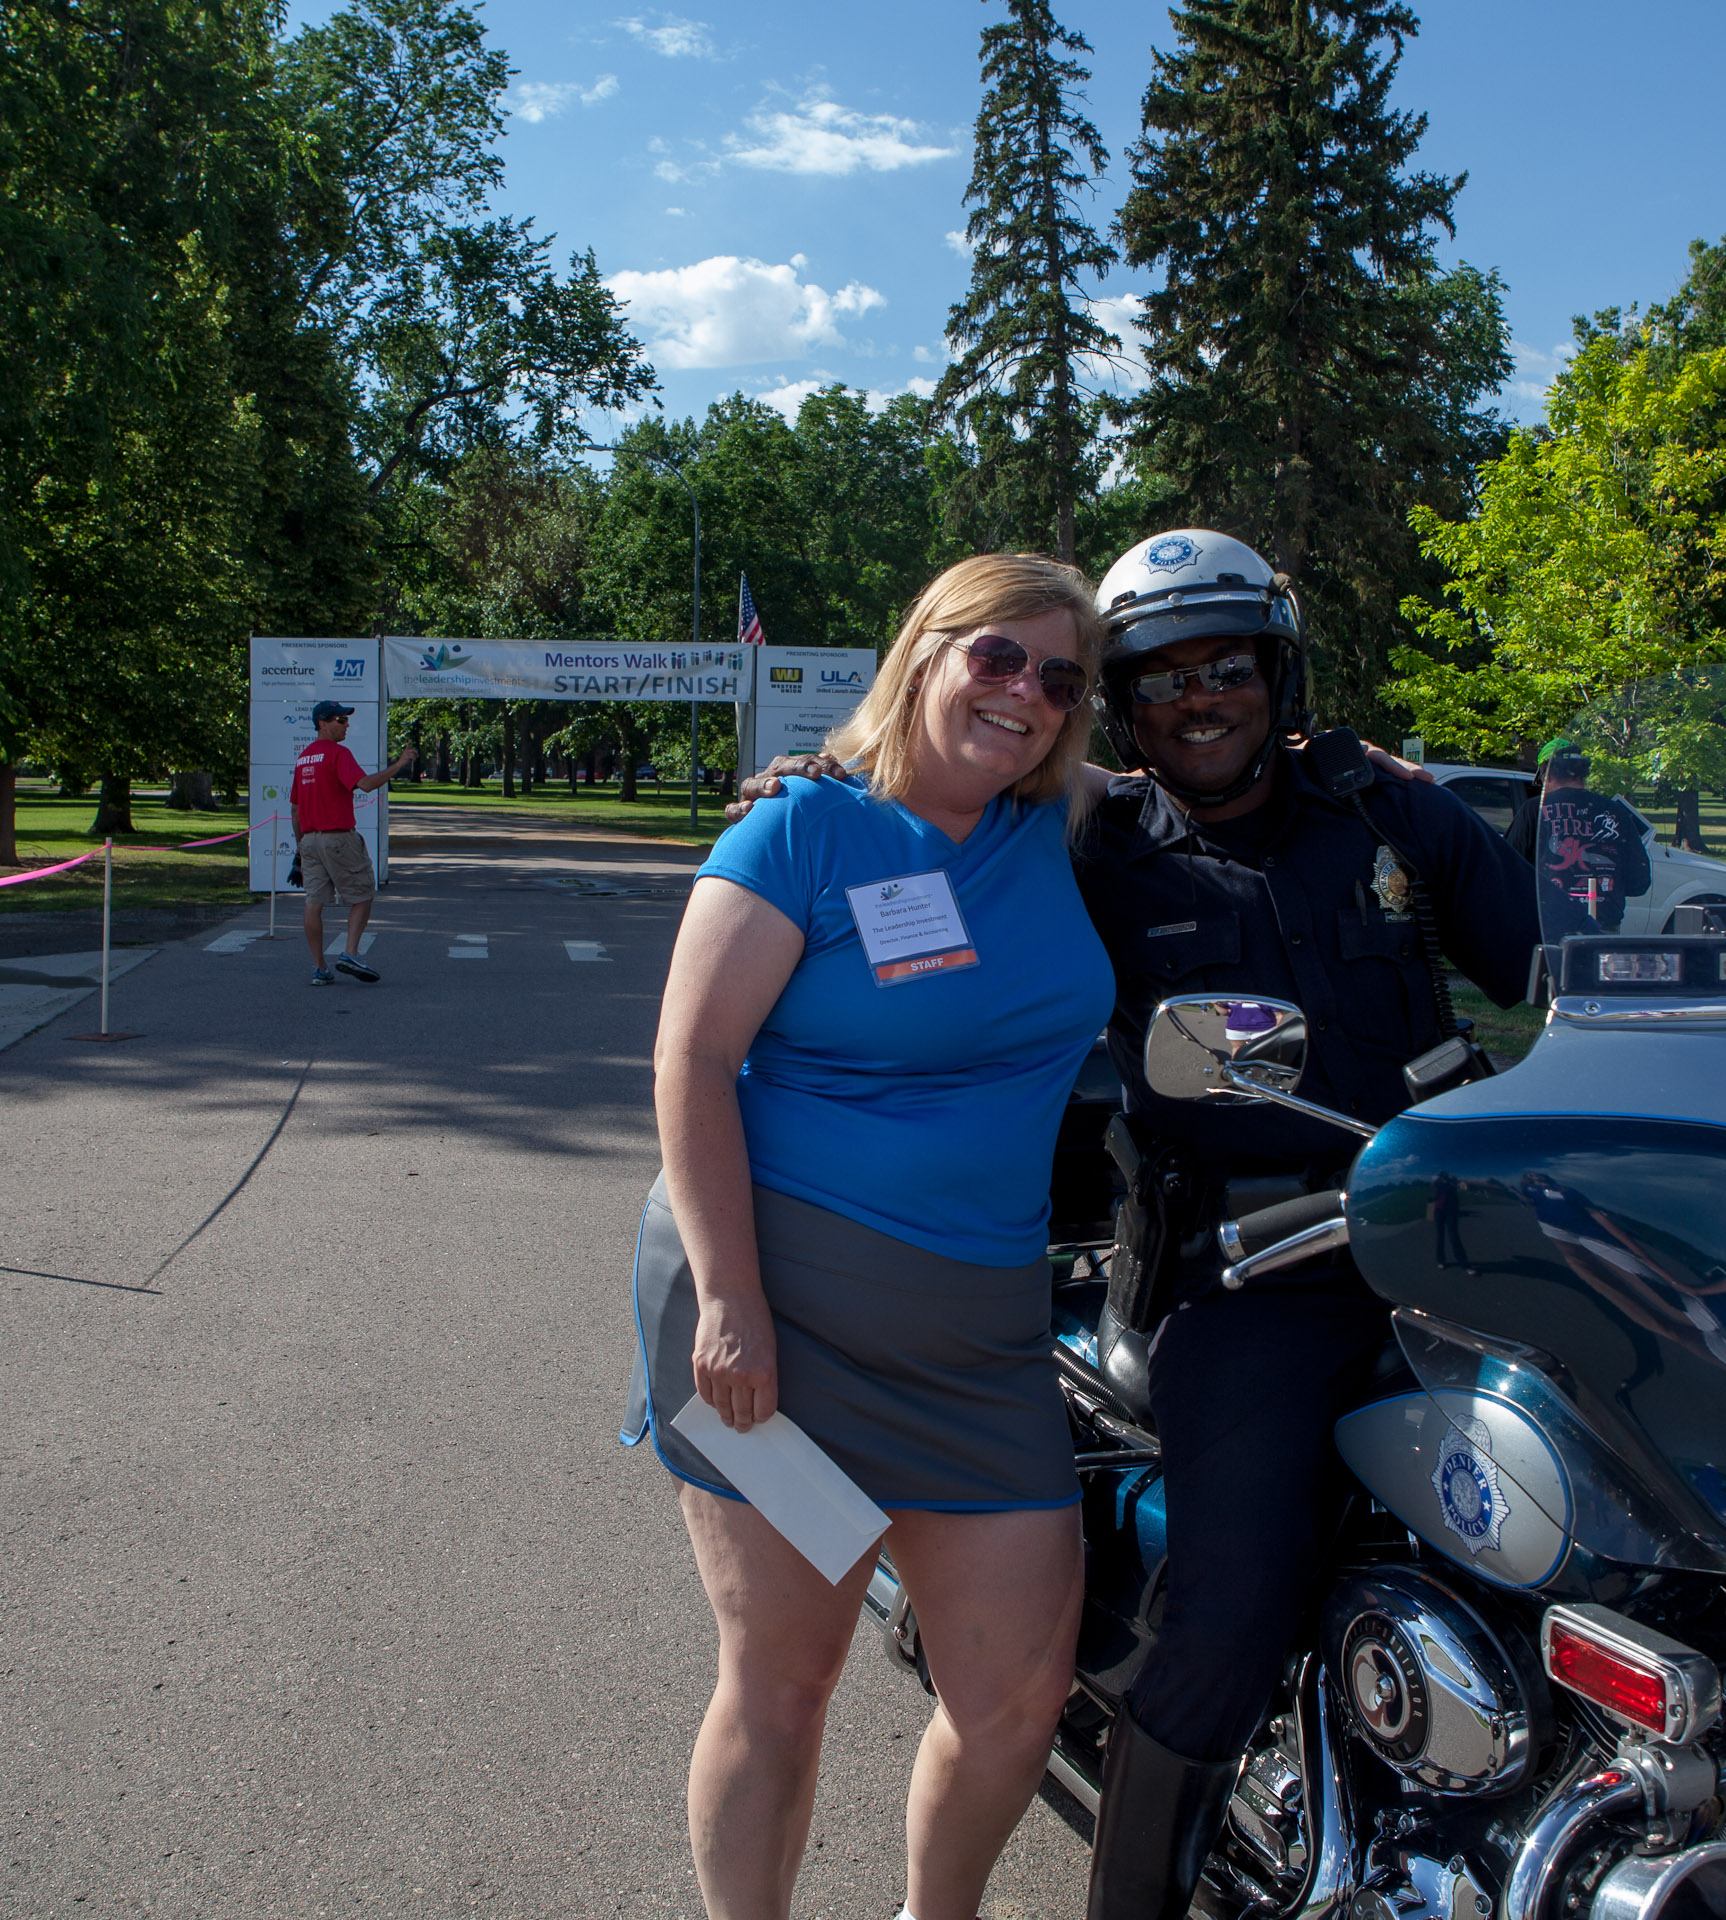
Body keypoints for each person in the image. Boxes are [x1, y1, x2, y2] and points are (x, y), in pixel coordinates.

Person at [734, 529, 1541, 1920]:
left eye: (1229, 667)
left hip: (1455, 1241)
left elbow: (1553, 964)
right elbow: (930, 802)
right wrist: (826, 782)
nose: (1198, 699)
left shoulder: (1390, 813)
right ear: (1121, 708)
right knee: (1231, 1617)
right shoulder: (1089, 841)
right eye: (1159, 678)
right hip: (1253, 1274)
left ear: (1280, 674)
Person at [629, 553, 1117, 1920]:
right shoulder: (801, 830)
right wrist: (730, 1300)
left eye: (1059, 676)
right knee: (785, 1682)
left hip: (980, 1345)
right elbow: (690, 1061)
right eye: (997, 656)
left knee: (1017, 1694)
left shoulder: (1059, 823)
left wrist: (1367, 770)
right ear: (926, 651)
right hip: (778, 1328)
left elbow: (1223, 778)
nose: (1025, 693)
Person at [291, 700, 416, 985]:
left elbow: (295, 809)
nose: (346, 725)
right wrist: (399, 764)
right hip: (338, 838)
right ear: (322, 723)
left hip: (309, 841)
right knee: (363, 894)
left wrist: (300, 846)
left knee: (313, 903)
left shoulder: (303, 758)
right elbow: (366, 785)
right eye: (340, 720)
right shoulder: (338, 753)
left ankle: (320, 968)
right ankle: (350, 953)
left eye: (346, 720)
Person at [1508, 740, 1651, 933]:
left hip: (1548, 928)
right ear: (1582, 773)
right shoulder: (1615, 812)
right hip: (1602, 929)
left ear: (1546, 773)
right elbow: (1639, 881)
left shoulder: (1534, 810)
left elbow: (1507, 867)